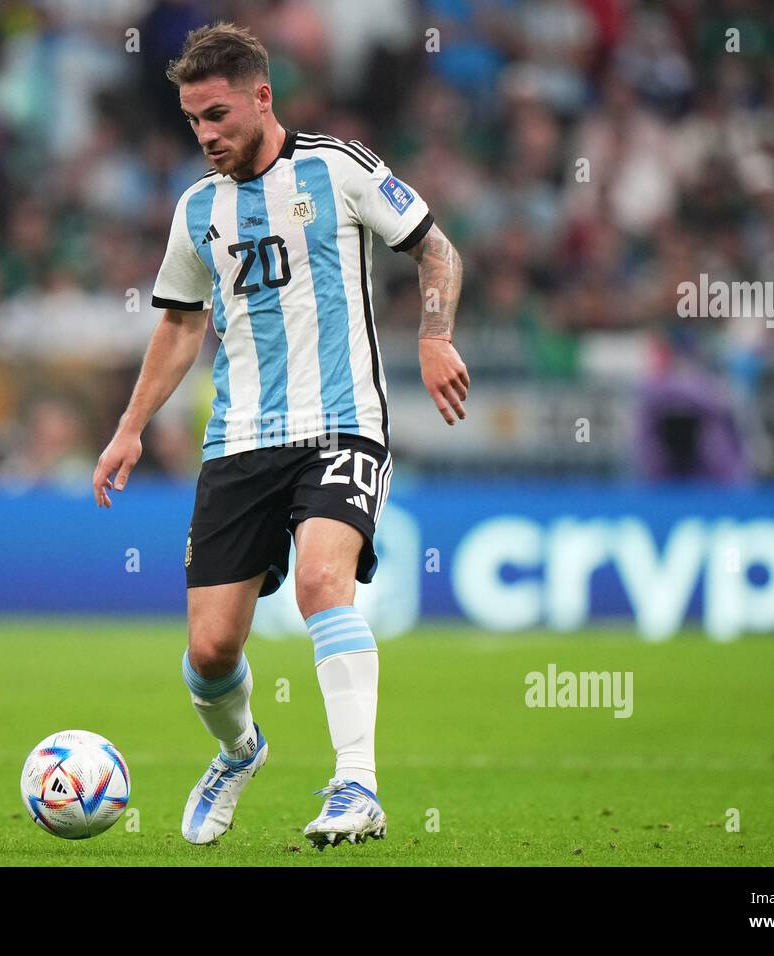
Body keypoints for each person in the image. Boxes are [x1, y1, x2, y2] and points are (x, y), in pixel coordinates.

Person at [92, 22, 467, 848]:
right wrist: (128, 429)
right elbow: (181, 329)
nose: (205, 135)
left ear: (263, 97)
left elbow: (437, 251)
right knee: (211, 650)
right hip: (239, 442)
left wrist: (434, 334)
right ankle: (240, 750)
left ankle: (356, 784)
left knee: (322, 583)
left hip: (344, 425)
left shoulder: (340, 168)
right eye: (193, 121)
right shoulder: (197, 210)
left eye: (218, 115)